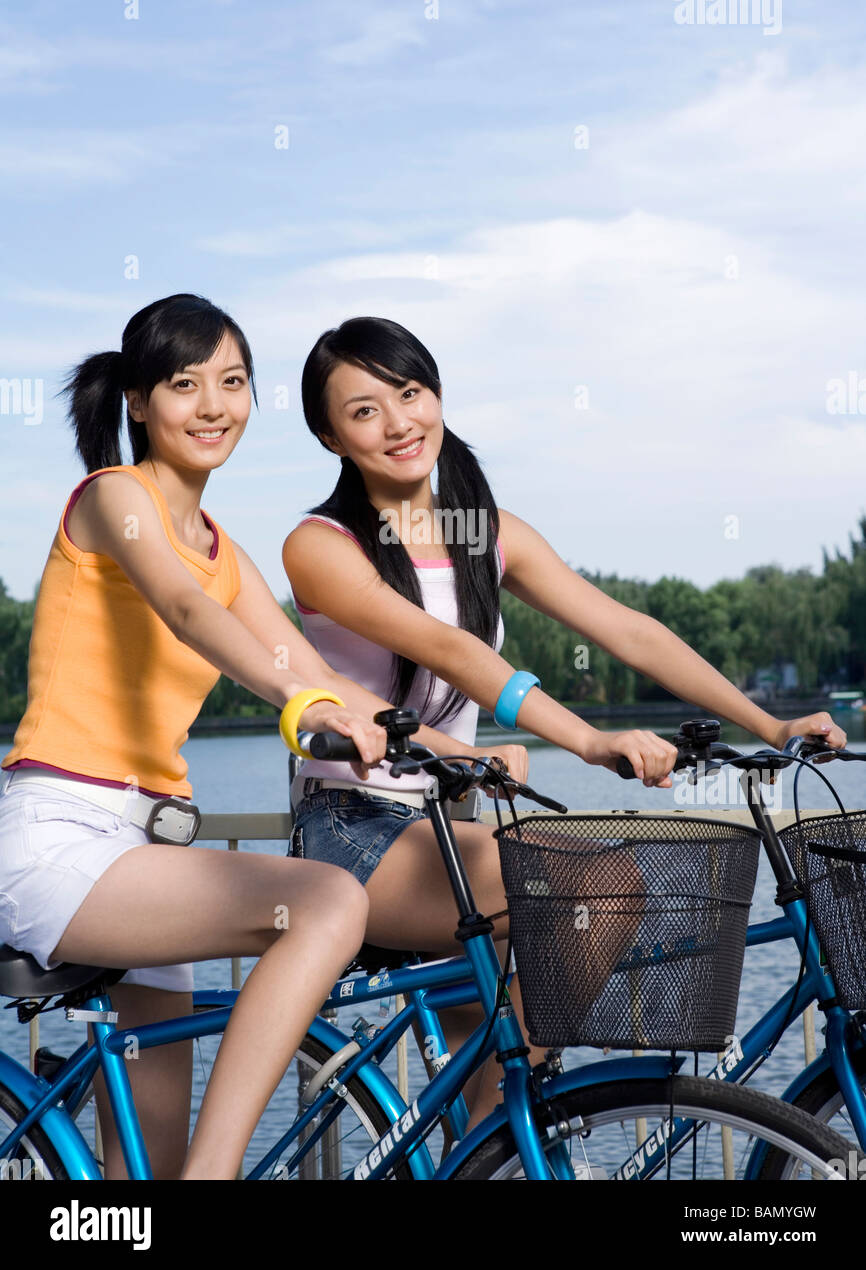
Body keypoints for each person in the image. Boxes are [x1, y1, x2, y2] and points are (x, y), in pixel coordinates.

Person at [282, 314, 848, 1127]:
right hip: (353, 831)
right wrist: (587, 739)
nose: (399, 422)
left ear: (436, 395)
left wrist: (768, 722)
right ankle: (494, 1142)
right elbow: (449, 651)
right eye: (365, 409)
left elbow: (627, 630)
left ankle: (485, 1147)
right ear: (329, 435)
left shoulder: (490, 533)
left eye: (410, 393)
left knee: (499, 1068)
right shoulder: (321, 545)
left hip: (452, 823)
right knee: (601, 884)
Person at [0, 295, 473, 1181]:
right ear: (139, 403)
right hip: (60, 837)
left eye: (233, 382)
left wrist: (462, 755)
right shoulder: (113, 500)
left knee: (142, 1170)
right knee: (329, 903)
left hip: (146, 849)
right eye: (186, 384)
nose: (214, 404)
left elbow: (315, 672)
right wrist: (296, 708)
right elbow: (183, 611)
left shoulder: (223, 547)